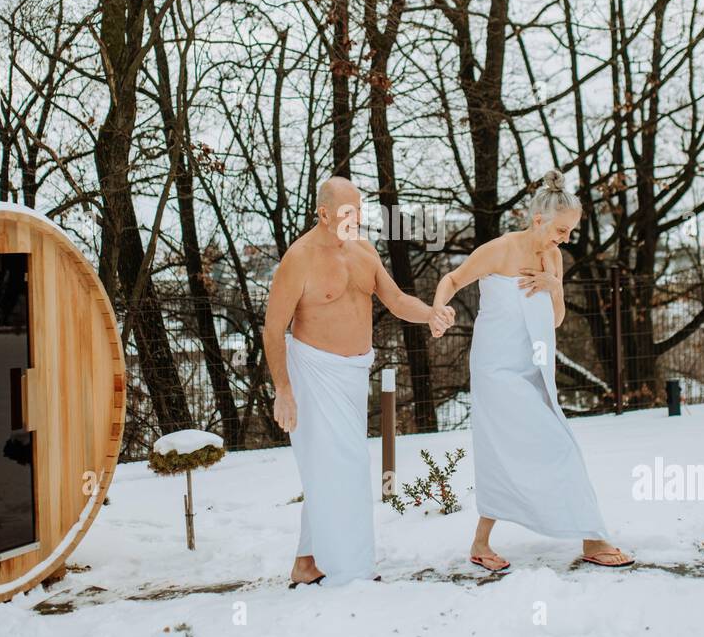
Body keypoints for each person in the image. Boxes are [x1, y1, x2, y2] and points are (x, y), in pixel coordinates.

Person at [431, 170, 635, 572]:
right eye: (561, 229)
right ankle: (593, 539)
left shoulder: (553, 258)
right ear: (538, 220)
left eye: (571, 231)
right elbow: (452, 279)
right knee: (556, 445)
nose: (566, 238)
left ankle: (480, 543)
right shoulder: (500, 250)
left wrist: (554, 287)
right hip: (496, 369)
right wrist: (439, 309)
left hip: (534, 368)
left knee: (509, 450)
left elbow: (555, 320)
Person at [263, 176, 453, 586]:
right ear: (324, 213)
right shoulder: (299, 259)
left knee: (327, 467)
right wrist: (283, 390)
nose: (357, 218)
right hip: (313, 372)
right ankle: (351, 572)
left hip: (353, 374)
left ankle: (306, 564)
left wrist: (431, 314)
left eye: (360, 210)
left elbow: (396, 300)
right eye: (348, 212)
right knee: (347, 465)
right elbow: (273, 329)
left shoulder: (364, 250)